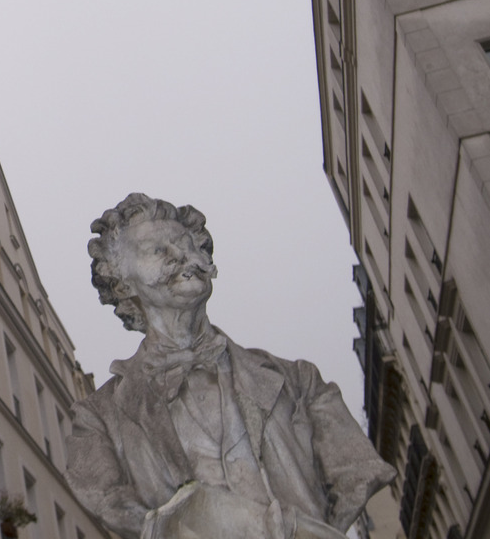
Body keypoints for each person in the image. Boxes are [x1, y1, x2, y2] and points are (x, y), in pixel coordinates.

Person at [64, 194, 394, 539]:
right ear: (121, 282)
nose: (181, 256)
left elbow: (355, 472)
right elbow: (110, 501)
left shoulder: (299, 381)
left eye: (186, 244)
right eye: (157, 250)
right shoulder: (99, 418)